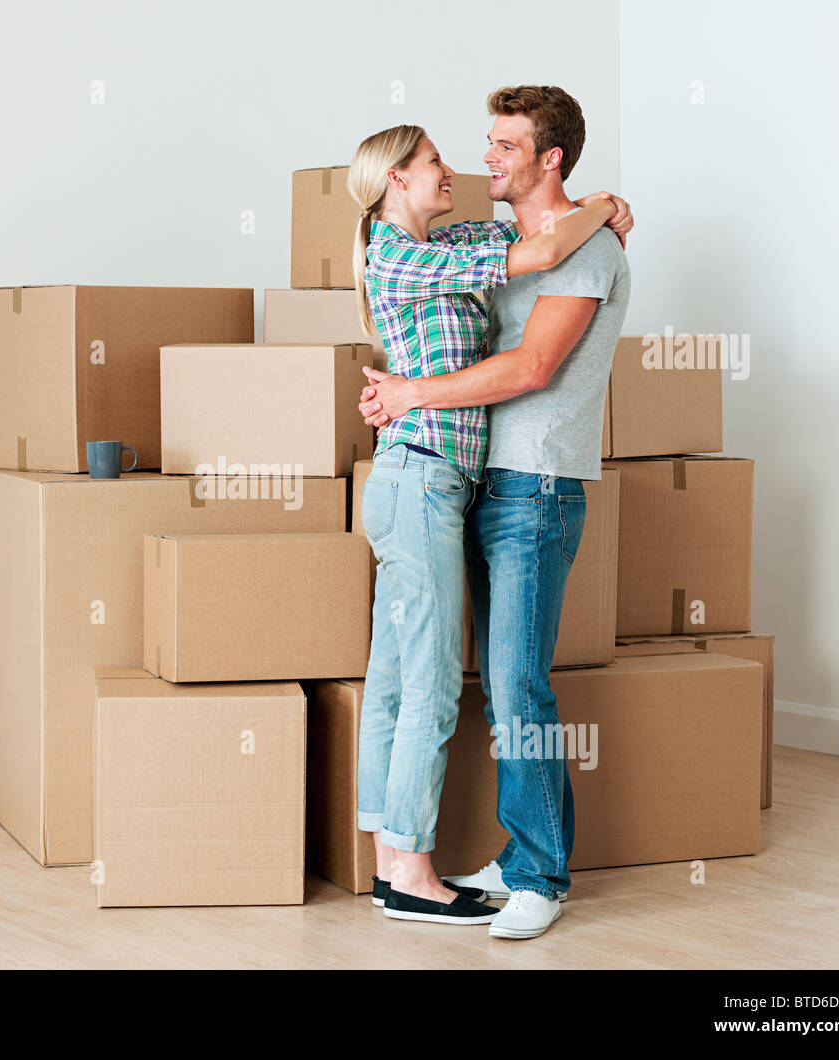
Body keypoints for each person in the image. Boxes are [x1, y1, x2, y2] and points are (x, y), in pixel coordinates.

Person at [359, 86, 632, 938]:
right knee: (434, 681)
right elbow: (526, 255)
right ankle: (418, 866)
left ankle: (539, 874)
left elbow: (530, 370)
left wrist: (408, 393)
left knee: (508, 683)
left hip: (530, 483)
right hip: (453, 480)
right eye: (477, 145)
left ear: (549, 157)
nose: (485, 160)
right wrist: (602, 205)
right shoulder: (456, 247)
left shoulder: (570, 250)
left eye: (505, 145)